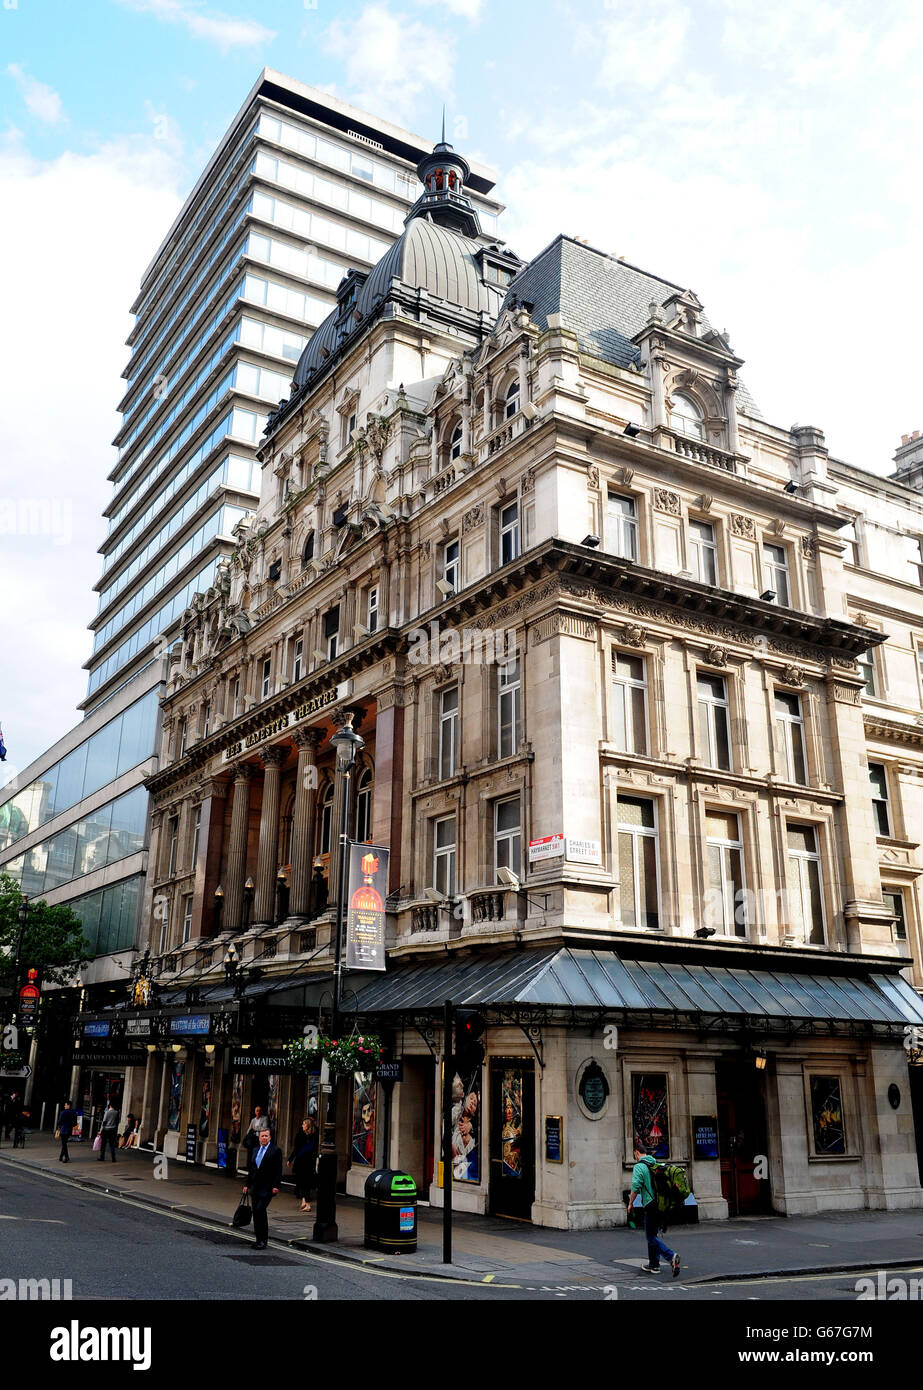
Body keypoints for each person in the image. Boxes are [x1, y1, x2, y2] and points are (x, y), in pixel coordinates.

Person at [627, 1142, 680, 1277]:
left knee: (650, 1236)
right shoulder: (655, 1163)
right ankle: (654, 1265)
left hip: (650, 1205)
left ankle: (670, 1256)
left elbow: (636, 1186)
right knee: (653, 1235)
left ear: (637, 1153)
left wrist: (630, 1203)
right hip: (661, 1204)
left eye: (635, 1155)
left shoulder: (639, 1166)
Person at [243, 1127, 283, 1249]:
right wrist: (246, 1185)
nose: (264, 1138)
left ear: (270, 1137)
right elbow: (252, 1169)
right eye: (262, 1136)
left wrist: (276, 1186)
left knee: (260, 1210)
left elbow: (278, 1170)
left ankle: (263, 1240)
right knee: (256, 1212)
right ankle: (258, 1239)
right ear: (259, 1138)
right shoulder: (255, 1150)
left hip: (267, 1187)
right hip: (255, 1187)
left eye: (266, 1136)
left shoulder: (275, 1151)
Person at [288, 1116, 318, 1213]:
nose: (302, 1125)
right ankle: (303, 1202)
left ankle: (308, 1205)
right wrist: (290, 1159)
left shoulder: (314, 1136)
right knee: (301, 1183)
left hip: (308, 1163)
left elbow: (314, 1150)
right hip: (301, 1161)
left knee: (306, 1183)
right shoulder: (300, 1135)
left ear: (308, 1125)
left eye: (304, 1124)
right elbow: (296, 1149)